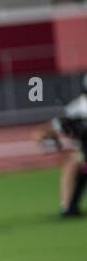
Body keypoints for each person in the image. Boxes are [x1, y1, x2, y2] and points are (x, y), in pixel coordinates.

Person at [33, 73, 87, 218]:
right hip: (84, 156)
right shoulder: (77, 109)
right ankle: (68, 207)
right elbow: (42, 132)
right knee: (73, 164)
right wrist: (51, 141)